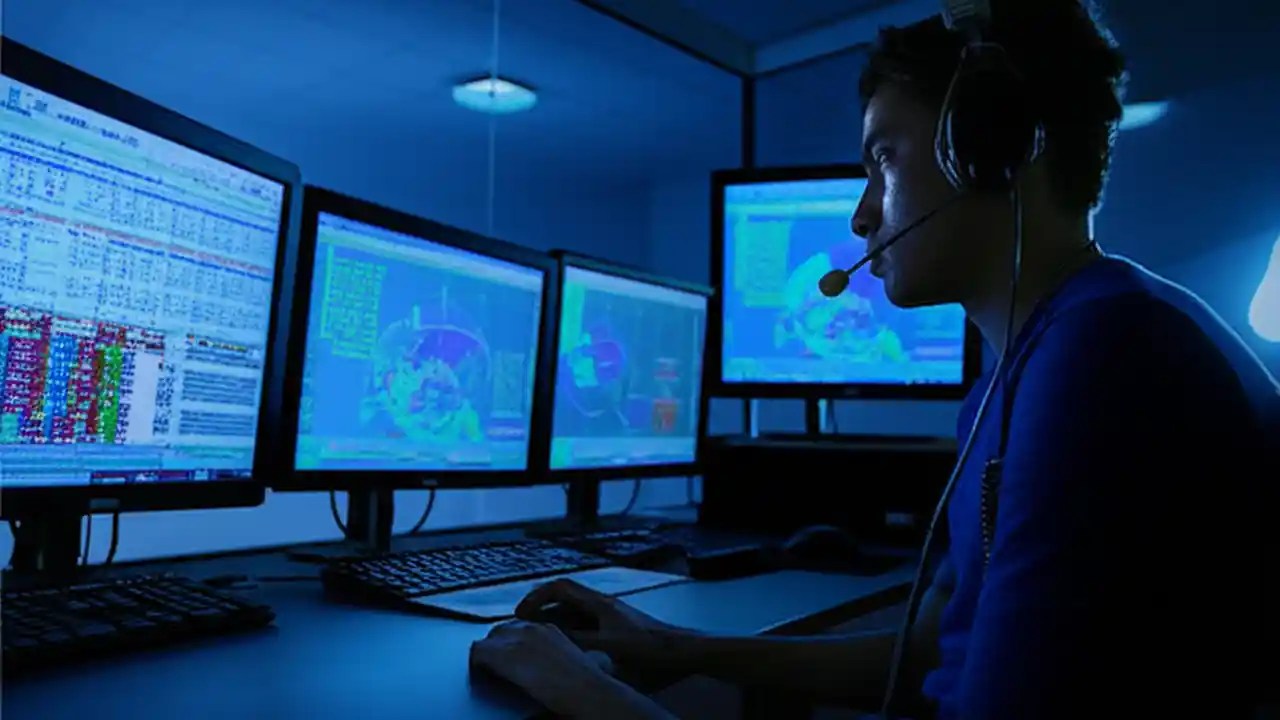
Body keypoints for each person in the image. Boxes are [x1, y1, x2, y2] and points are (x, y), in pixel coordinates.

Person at [470, 1, 1279, 717]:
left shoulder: (1104, 361)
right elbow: (931, 657)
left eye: (882, 158)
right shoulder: (1036, 363)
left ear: (988, 148)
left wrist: (580, 692)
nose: (861, 216)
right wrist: (676, 648)